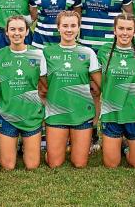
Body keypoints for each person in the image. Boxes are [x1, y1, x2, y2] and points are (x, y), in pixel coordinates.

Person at [43, 10, 101, 169]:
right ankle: (58, 146)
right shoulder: (47, 52)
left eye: (73, 26)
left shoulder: (87, 52)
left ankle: (71, 144)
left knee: (80, 163)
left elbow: (100, 84)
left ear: (78, 28)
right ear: (58, 28)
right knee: (55, 163)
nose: (69, 30)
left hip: (80, 114)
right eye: (65, 26)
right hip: (56, 113)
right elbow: (42, 83)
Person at [0, 16, 47, 170]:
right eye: (13, 29)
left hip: (31, 115)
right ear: (6, 33)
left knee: (32, 165)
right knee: (8, 165)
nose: (17, 33)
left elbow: (43, 85)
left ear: (27, 32)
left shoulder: (37, 54)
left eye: (21, 29)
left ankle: (26, 143)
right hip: (8, 114)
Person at [99, 12, 135, 169]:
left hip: (134, 114)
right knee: (112, 164)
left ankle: (127, 146)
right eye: (121, 28)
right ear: (114, 30)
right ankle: (117, 143)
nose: (125, 33)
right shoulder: (104, 51)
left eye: (129, 29)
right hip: (111, 114)